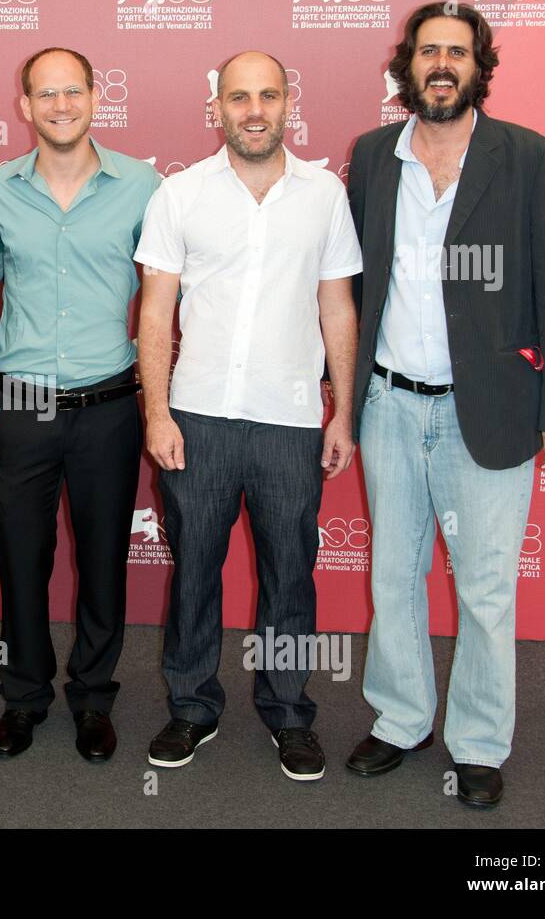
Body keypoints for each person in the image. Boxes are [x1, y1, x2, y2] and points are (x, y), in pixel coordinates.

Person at [344, 3, 545, 807]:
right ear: (406, 66)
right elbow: (351, 286)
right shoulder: (374, 156)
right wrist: (341, 398)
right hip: (386, 401)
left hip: (485, 407)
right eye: (427, 52)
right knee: (393, 572)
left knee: (486, 586)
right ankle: (400, 718)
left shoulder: (528, 157)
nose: (440, 64)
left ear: (478, 65)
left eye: (456, 52)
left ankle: (480, 741)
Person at [135, 52, 362, 778]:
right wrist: (157, 414)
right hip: (196, 419)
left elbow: (337, 306)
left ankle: (289, 712)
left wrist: (342, 412)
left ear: (289, 102)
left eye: (267, 95)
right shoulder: (181, 193)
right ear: (218, 108)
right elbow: (156, 309)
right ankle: (192, 707)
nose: (254, 109)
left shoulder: (325, 193)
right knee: (195, 568)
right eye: (239, 97)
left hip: (290, 419)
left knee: (290, 574)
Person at [0, 47, 161, 762]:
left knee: (105, 555)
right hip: (25, 405)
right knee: (22, 555)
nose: (59, 105)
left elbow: (168, 291)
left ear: (95, 95)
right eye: (44, 94)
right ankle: (24, 696)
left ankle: (92, 697)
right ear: (24, 106)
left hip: (110, 403)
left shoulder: (143, 185)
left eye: (71, 91)